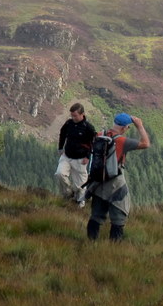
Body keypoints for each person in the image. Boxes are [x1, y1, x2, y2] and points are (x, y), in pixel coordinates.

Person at [86, 112, 151, 242]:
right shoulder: (121, 141)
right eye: (128, 128)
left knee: (96, 216)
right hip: (115, 183)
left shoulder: (99, 135)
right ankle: (114, 248)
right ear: (124, 127)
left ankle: (90, 243)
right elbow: (145, 143)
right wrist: (140, 126)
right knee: (118, 218)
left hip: (98, 182)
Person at [56, 102, 96, 206]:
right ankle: (68, 193)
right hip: (67, 156)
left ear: (82, 114)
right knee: (60, 174)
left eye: (75, 115)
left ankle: (80, 204)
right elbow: (62, 133)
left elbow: (93, 142)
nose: (73, 117)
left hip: (80, 159)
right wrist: (60, 148)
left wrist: (88, 156)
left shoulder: (88, 128)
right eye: (72, 115)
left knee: (81, 185)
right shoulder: (69, 123)